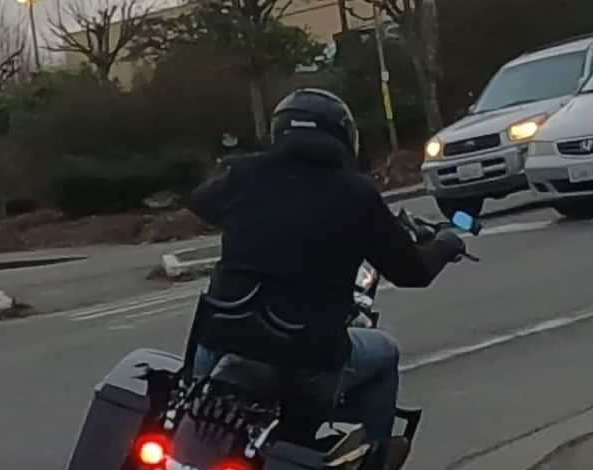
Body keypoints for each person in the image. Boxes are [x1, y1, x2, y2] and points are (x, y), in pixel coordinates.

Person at [186, 88, 468, 445]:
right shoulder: (356, 194)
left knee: (189, 388)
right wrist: (444, 244)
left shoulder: (246, 174)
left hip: (224, 340)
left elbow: (200, 203)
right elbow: (412, 273)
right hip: (307, 356)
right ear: (344, 136)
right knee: (385, 352)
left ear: (280, 132)